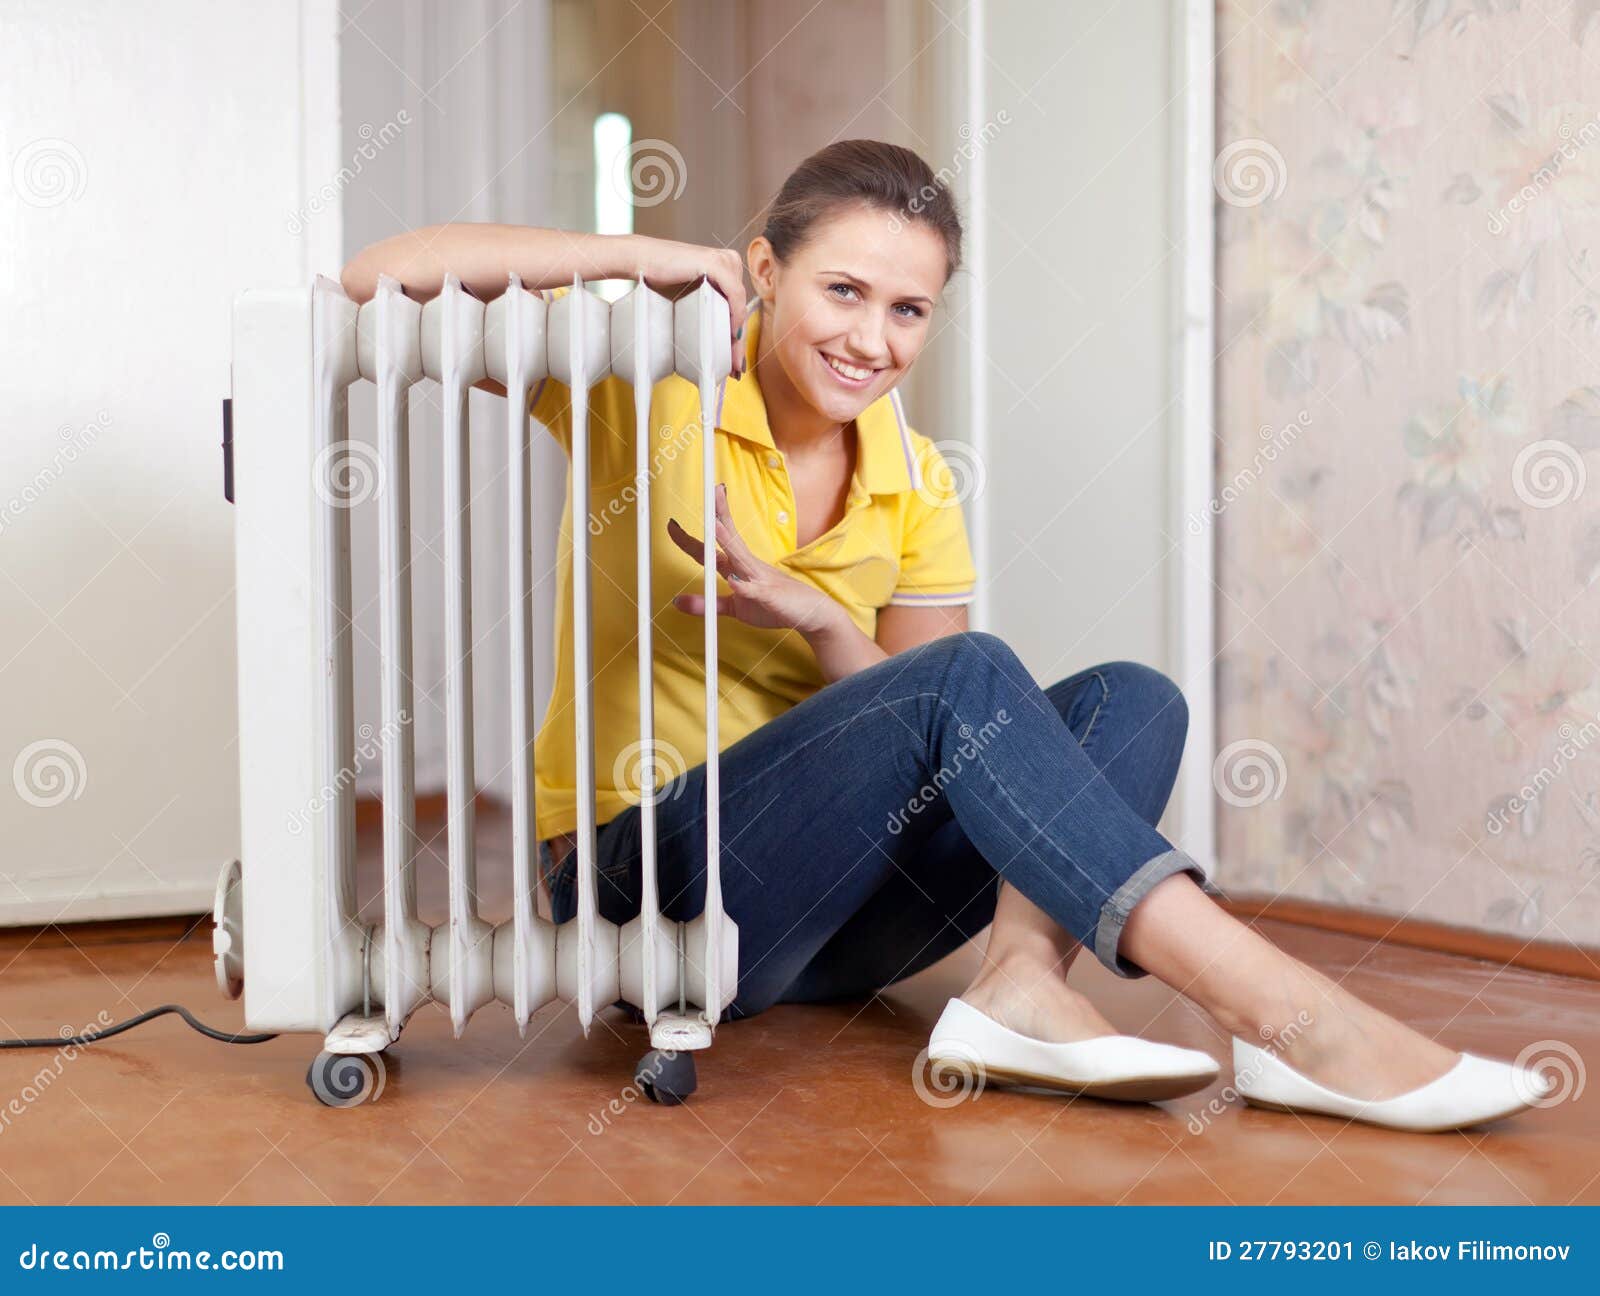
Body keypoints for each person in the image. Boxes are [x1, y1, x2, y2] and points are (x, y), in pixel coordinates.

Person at [341, 139, 1551, 1131]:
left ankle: (1020, 986)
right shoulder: (644, 383)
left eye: (907, 309)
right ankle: (1291, 1017)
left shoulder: (914, 477)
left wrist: (818, 619)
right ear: (764, 269)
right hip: (637, 883)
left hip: (820, 932)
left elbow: (936, 730)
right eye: (843, 291)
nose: (872, 339)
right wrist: (652, 263)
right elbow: (378, 276)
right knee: (970, 673)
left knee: (1133, 697)